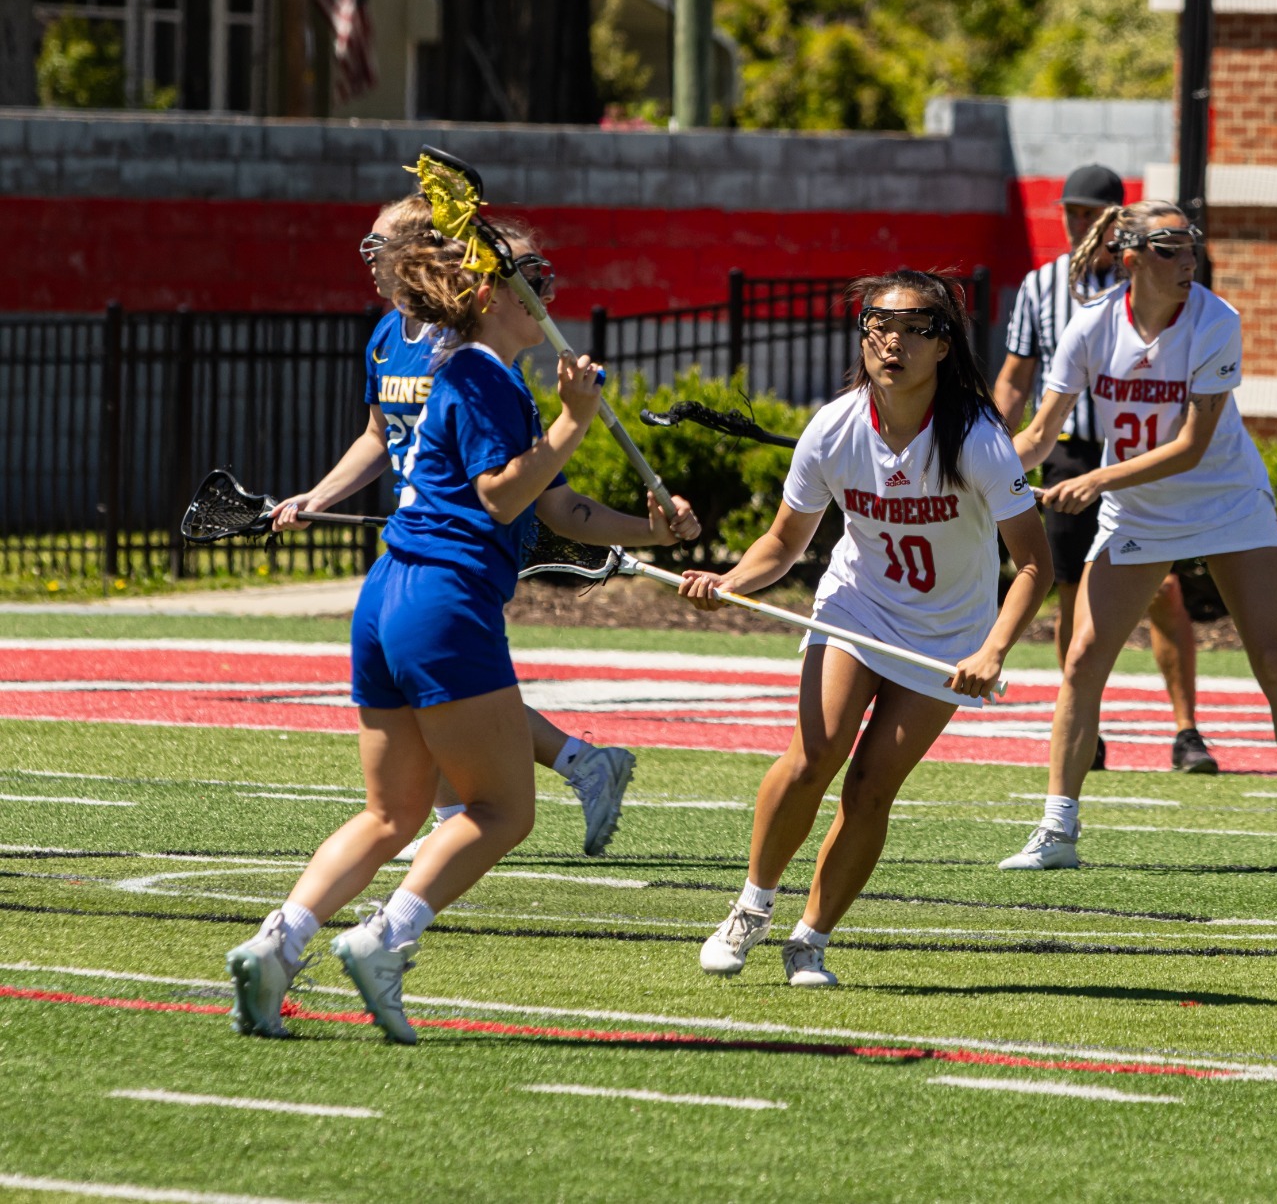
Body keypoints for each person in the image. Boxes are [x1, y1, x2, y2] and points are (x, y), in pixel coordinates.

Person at [225, 224, 697, 1043]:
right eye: (531, 277)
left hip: (390, 596)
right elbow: (503, 497)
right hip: (442, 601)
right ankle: (384, 938)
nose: (546, 292)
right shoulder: (479, 374)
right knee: (504, 808)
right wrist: (575, 420)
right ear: (490, 293)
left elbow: (556, 504)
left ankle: (278, 944)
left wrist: (657, 532)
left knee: (390, 813)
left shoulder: (483, 375)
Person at [681, 269, 1051, 987]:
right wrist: (729, 583)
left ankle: (810, 940)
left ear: (944, 345)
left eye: (916, 329)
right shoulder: (835, 426)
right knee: (813, 756)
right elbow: (784, 543)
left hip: (949, 635)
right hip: (856, 607)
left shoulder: (977, 437)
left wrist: (992, 650)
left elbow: (1036, 564)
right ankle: (750, 906)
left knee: (872, 785)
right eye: (880, 326)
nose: (894, 342)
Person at [272, 196, 661, 859]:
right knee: (438, 696)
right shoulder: (385, 337)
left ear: (423, 252)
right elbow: (377, 435)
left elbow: (540, 500)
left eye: (380, 246)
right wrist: (317, 495)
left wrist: (648, 527)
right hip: (413, 550)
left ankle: (515, 799)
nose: (369, 261)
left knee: (448, 695)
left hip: (463, 555)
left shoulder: (479, 365)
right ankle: (534, 786)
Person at [997, 201, 1277, 877]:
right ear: (1129, 258)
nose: (1187, 258)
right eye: (1169, 248)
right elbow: (1042, 434)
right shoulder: (1091, 326)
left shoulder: (1217, 321)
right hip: (1139, 511)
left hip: (1226, 499)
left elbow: (1193, 446)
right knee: (1081, 659)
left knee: (1275, 660)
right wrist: (979, 468)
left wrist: (1098, 479)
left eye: (1190, 244)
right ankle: (1057, 830)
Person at [991, 165, 1214, 775]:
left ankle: (1186, 730)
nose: (1078, 224)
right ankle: (1084, 729)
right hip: (1064, 449)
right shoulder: (1041, 287)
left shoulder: (1159, 282)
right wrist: (983, 449)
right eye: (1071, 212)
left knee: (1164, 592)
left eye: (1091, 213)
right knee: (1073, 601)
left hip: (1143, 455)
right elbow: (1016, 381)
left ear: (1120, 226)